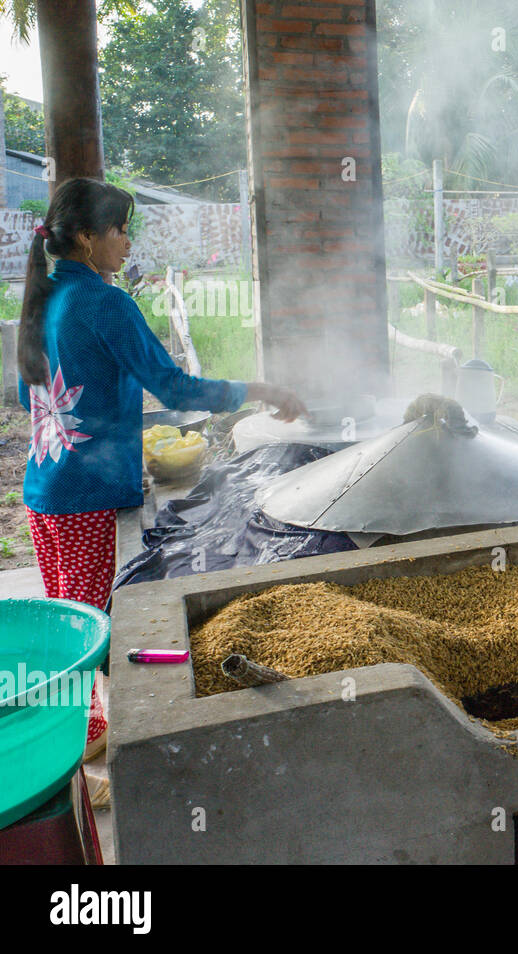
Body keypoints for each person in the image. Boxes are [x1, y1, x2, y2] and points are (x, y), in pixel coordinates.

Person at [17, 177, 306, 761]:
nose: (127, 242)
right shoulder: (103, 301)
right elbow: (172, 384)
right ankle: (84, 763)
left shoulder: (45, 294)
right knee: (95, 642)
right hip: (85, 499)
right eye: (120, 229)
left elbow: (34, 398)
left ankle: (72, 744)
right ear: (85, 236)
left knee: (68, 640)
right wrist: (258, 388)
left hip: (42, 494)